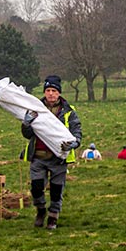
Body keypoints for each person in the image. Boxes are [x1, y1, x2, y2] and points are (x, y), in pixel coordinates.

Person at [20, 75, 82, 230]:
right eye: (48, 90)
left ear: (59, 93)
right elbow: (27, 134)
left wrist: (75, 142)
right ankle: (40, 210)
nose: (51, 94)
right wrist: (26, 123)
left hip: (58, 158)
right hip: (38, 156)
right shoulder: (35, 109)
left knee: (56, 190)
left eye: (54, 90)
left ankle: (53, 217)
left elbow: (77, 130)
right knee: (36, 187)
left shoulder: (68, 111)